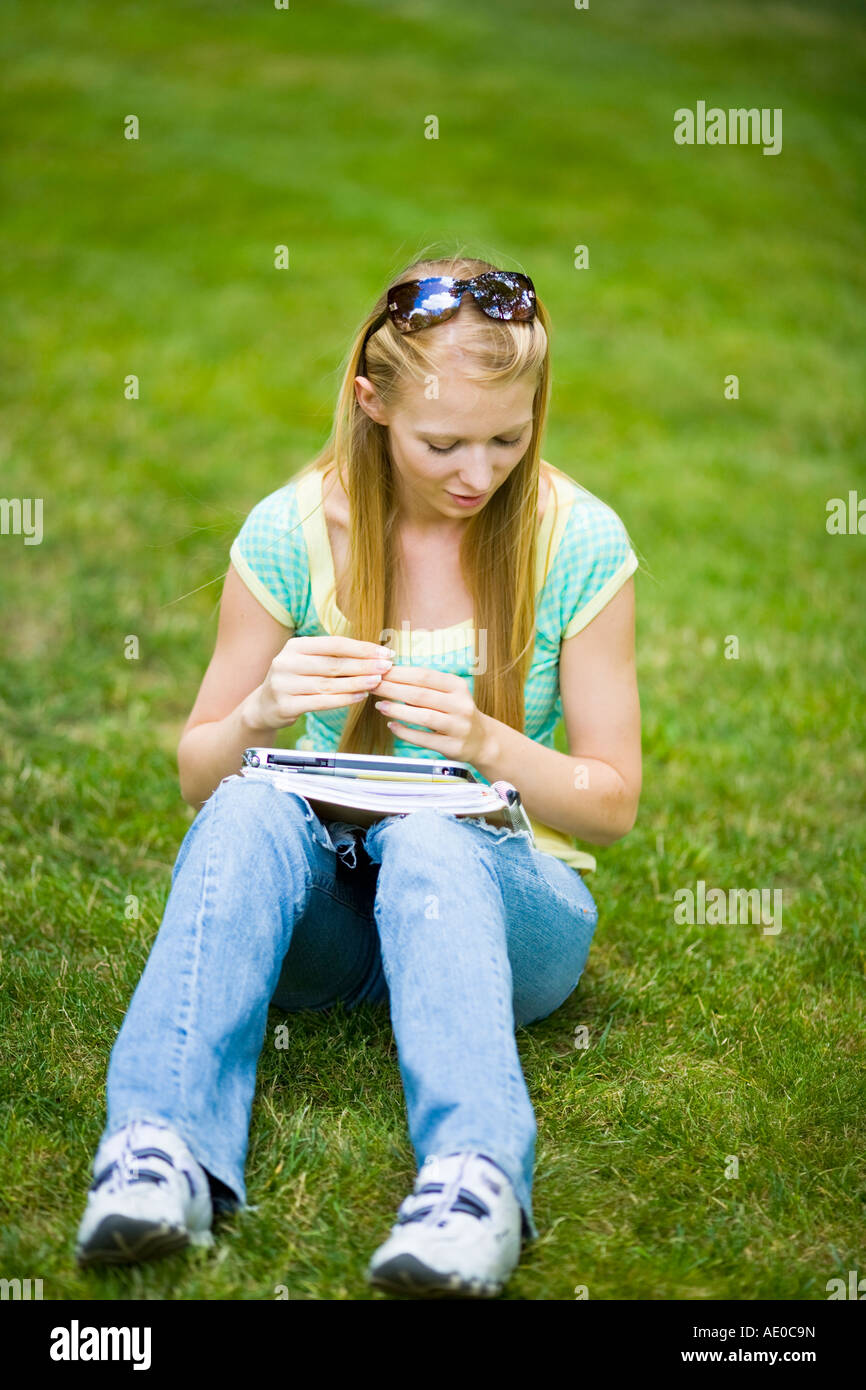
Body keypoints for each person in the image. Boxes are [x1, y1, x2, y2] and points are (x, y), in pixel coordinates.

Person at [75, 254, 642, 1298]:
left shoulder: (577, 539)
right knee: (250, 800)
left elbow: (609, 804)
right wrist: (260, 709)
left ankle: (472, 1183)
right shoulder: (291, 532)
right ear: (370, 402)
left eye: (506, 438)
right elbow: (200, 772)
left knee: (429, 837)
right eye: (443, 443)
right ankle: (158, 1151)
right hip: (332, 920)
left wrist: (484, 742)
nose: (478, 472)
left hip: (510, 915)